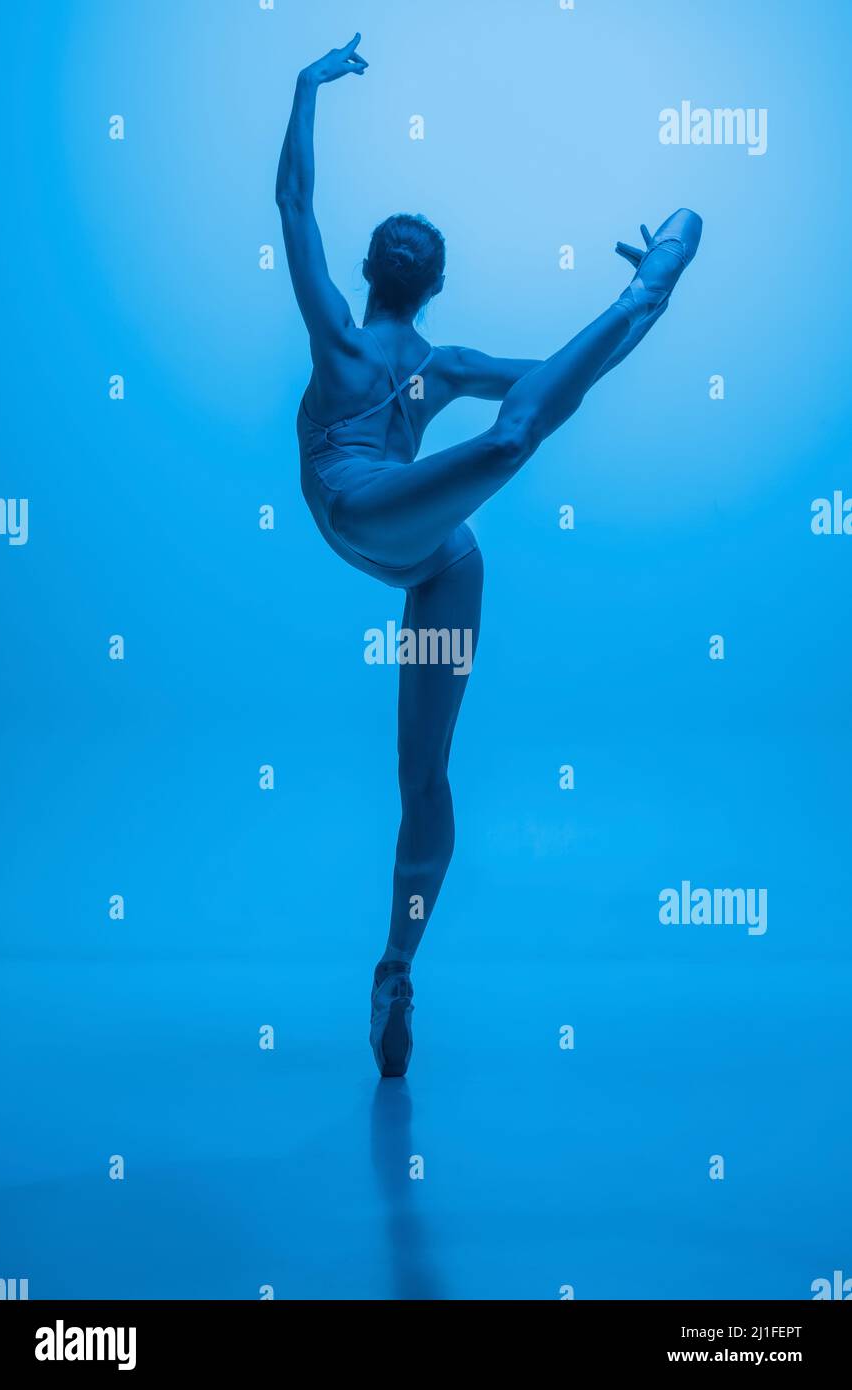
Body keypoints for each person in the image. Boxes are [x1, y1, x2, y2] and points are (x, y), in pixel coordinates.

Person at [276, 34, 702, 1077]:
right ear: (415, 278)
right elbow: (295, 206)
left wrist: (309, 84)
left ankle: (395, 969)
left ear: (392, 275)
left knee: (425, 775)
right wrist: (304, 87)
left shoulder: (420, 359)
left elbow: (556, 377)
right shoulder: (351, 343)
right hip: (366, 506)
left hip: (427, 553)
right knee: (513, 435)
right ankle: (644, 290)